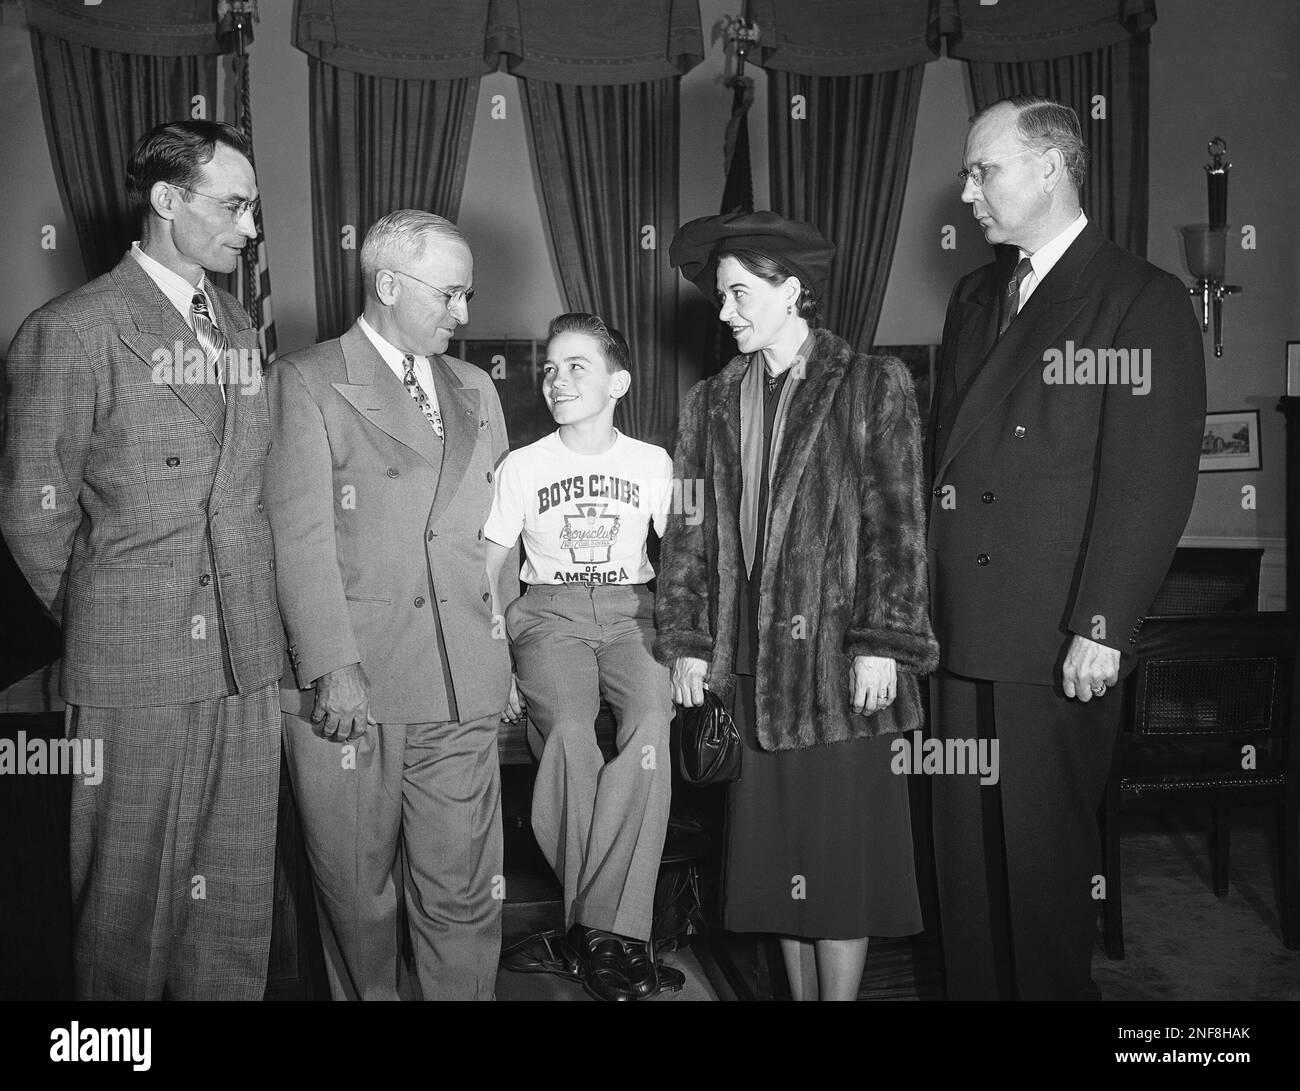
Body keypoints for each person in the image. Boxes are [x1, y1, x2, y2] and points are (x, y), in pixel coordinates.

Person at [927, 96, 1206, 1000]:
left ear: (1051, 167)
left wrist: (1104, 623)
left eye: (983, 170)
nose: (967, 192)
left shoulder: (1140, 297)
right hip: (961, 631)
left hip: (1053, 639)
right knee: (965, 877)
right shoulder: (975, 296)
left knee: (1041, 881)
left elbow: (1148, 480)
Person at [0, 120, 284, 999]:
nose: (249, 227)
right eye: (233, 205)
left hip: (245, 657)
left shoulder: (236, 324)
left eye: (253, 207)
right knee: (127, 909)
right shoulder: (72, 329)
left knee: (233, 902)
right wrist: (112, 610)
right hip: (135, 656)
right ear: (167, 201)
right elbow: (32, 513)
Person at [658, 211, 939, 1001]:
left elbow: (899, 521)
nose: (725, 312)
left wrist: (884, 639)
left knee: (838, 867)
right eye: (720, 296)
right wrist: (685, 638)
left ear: (793, 291)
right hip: (750, 668)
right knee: (780, 870)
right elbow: (688, 531)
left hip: (841, 668)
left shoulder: (870, 382)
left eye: (740, 293)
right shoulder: (708, 402)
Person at [264, 210, 517, 1001]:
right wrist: (334, 668)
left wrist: (502, 648)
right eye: (449, 294)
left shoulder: (476, 387)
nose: (464, 314)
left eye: (468, 294)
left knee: (465, 893)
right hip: (355, 693)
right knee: (358, 902)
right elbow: (297, 537)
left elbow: (499, 534)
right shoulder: (305, 380)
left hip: (460, 685)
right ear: (387, 285)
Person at [484, 312, 676, 1002]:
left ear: (617, 381)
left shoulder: (652, 462)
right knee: (566, 733)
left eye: (576, 367)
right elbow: (492, 563)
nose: (556, 381)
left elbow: (683, 555)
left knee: (651, 728)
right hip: (549, 615)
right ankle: (621, 937)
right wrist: (498, 651)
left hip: (633, 611)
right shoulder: (523, 465)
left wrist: (692, 646)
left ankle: (590, 934)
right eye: (550, 367)